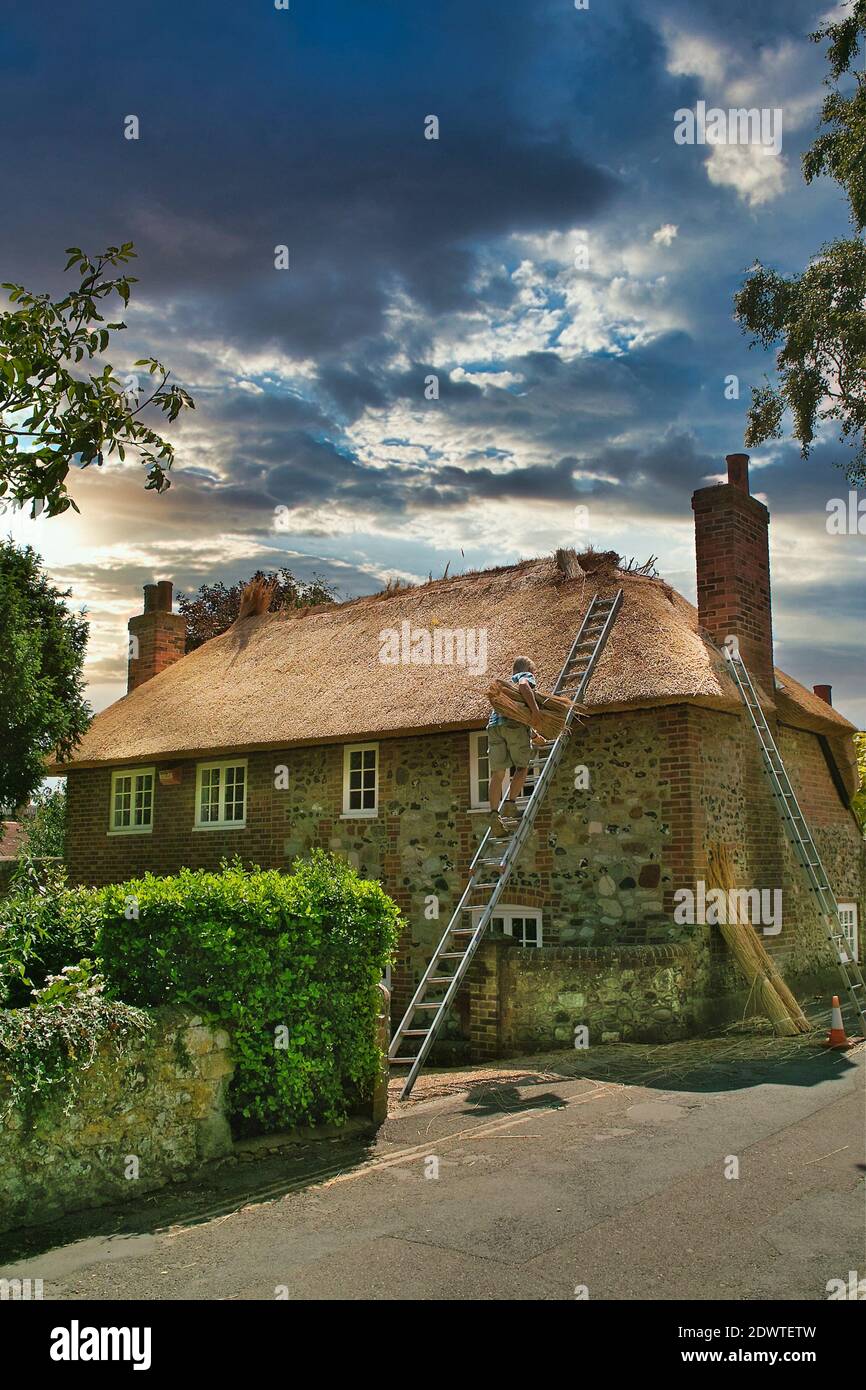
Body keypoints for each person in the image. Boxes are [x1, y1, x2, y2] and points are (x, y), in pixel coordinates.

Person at [486, 656, 546, 836]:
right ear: (528, 669)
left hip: (494, 727)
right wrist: (536, 711)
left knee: (498, 774)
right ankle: (510, 805)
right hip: (514, 726)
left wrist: (534, 736)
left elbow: (515, 712)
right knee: (522, 767)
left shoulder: (504, 687)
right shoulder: (524, 676)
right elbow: (524, 686)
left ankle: (494, 815)